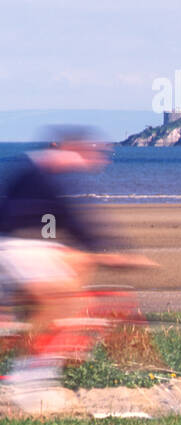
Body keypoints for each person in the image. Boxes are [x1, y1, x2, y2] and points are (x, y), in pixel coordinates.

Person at [0, 128, 155, 410]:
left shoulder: (34, 170)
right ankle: (30, 377)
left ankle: (42, 339)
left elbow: (65, 220)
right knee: (68, 300)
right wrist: (113, 254)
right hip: (15, 250)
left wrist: (98, 251)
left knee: (74, 270)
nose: (94, 159)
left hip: (17, 247)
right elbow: (72, 218)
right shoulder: (47, 173)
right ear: (68, 148)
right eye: (88, 152)